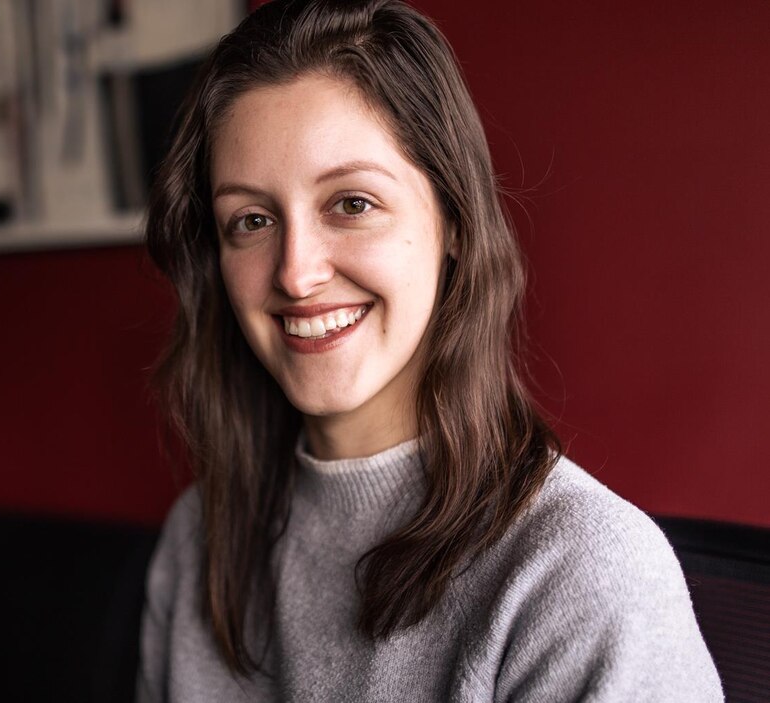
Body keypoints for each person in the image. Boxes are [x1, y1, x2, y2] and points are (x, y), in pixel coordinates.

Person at [136, 0, 724, 700]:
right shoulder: (198, 537)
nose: (295, 272)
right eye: (252, 220)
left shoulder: (583, 574)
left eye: (351, 203)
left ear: (452, 220)